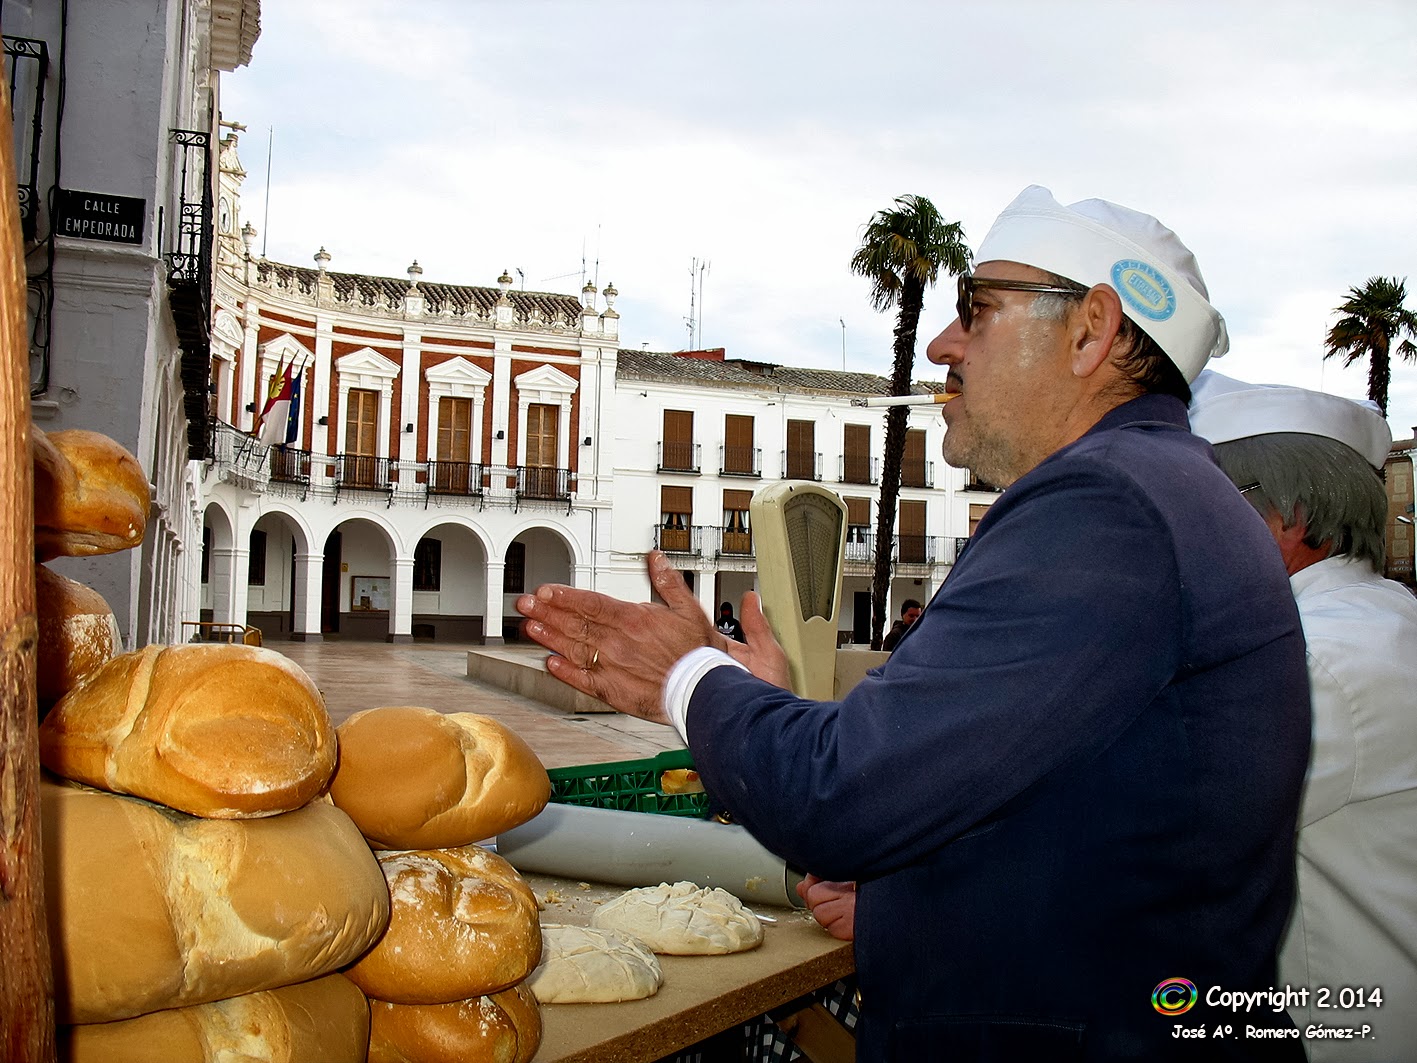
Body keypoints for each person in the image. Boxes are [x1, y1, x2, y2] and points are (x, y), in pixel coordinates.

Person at [517, 185, 1310, 1061]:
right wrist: (778, 720)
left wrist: (686, 676)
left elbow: (842, 797)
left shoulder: (1104, 507)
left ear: (1090, 330)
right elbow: (1039, 802)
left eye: (976, 309)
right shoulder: (1163, 490)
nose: (941, 344)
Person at [1189, 372, 1417, 1061]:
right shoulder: (1378, 623)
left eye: (1201, 503)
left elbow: (1148, 842)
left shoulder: (1312, 659)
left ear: (1288, 516)